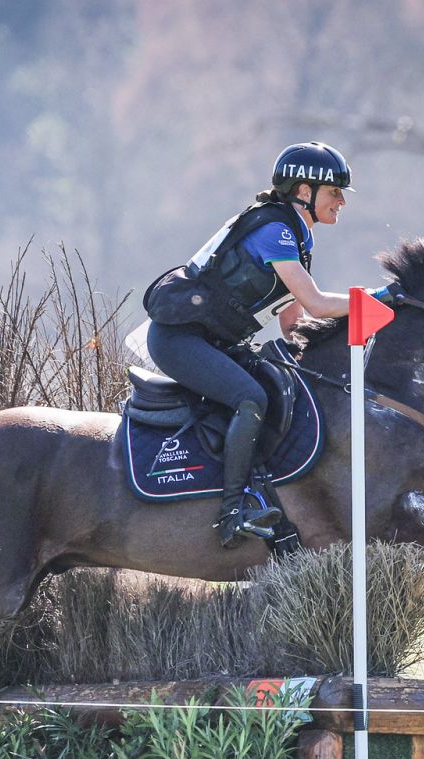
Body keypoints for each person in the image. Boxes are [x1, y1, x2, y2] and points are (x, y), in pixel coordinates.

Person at [142, 141, 354, 547]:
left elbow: (294, 322)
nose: (342, 201)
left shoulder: (296, 235)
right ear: (304, 192)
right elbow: (316, 303)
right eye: (334, 191)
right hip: (178, 337)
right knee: (250, 398)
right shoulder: (275, 231)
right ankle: (232, 512)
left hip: (208, 338)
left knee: (275, 388)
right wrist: (380, 300)